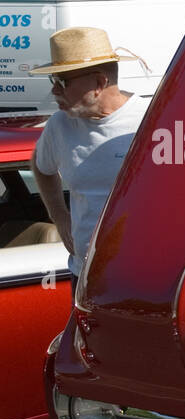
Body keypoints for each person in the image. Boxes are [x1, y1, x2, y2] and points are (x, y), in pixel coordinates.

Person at [30, 27, 147, 289]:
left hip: (142, 277)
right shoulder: (60, 125)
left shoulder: (150, 120)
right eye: (53, 81)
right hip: (84, 274)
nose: (54, 92)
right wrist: (59, 216)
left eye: (62, 82)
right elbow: (41, 166)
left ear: (99, 83)